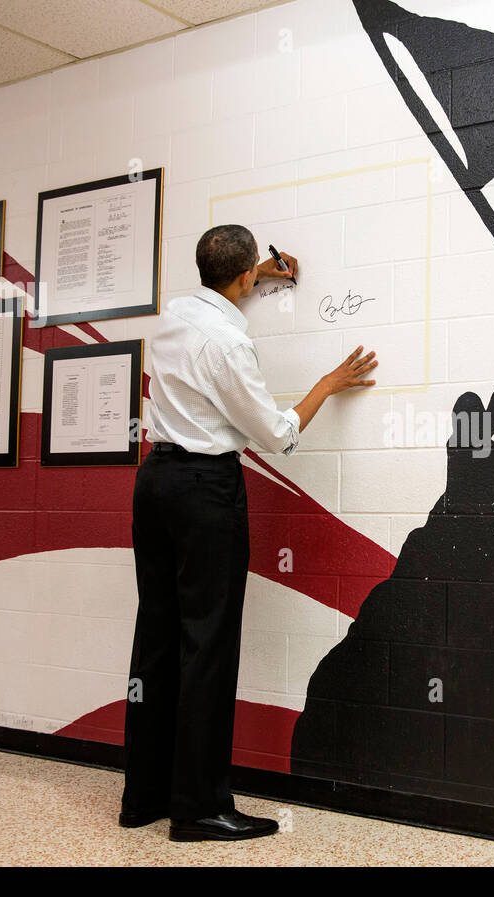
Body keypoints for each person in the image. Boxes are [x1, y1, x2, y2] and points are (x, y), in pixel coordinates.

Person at [120, 224, 378, 841]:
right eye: (252, 277)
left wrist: (259, 272)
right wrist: (327, 384)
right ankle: (200, 808)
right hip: (205, 491)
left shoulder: (174, 315)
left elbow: (221, 287)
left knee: (155, 639)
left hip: (154, 483)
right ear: (241, 279)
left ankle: (145, 797)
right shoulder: (229, 344)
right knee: (206, 646)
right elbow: (277, 435)